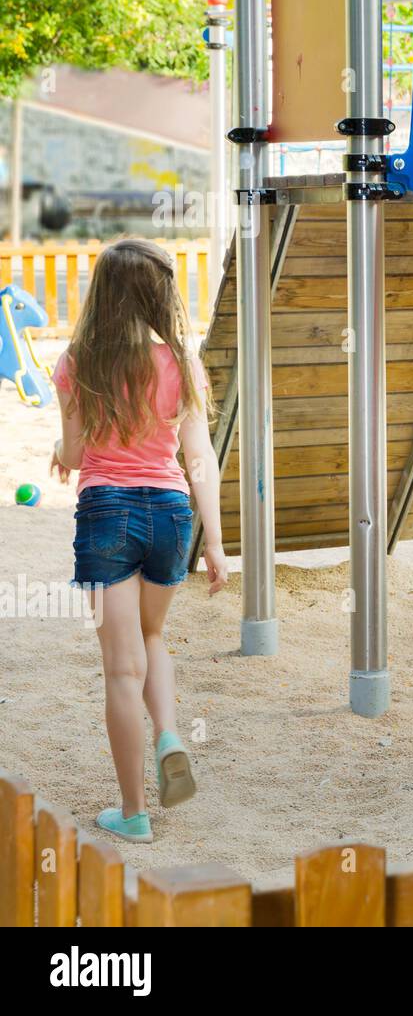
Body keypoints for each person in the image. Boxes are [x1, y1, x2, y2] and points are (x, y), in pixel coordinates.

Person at [50, 239, 228, 843]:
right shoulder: (182, 361)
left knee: (120, 671)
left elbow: (76, 455)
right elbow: (198, 456)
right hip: (172, 515)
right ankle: (169, 734)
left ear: (102, 293)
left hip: (106, 514)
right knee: (154, 637)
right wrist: (216, 542)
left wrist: (59, 451)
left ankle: (133, 813)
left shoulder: (78, 361)